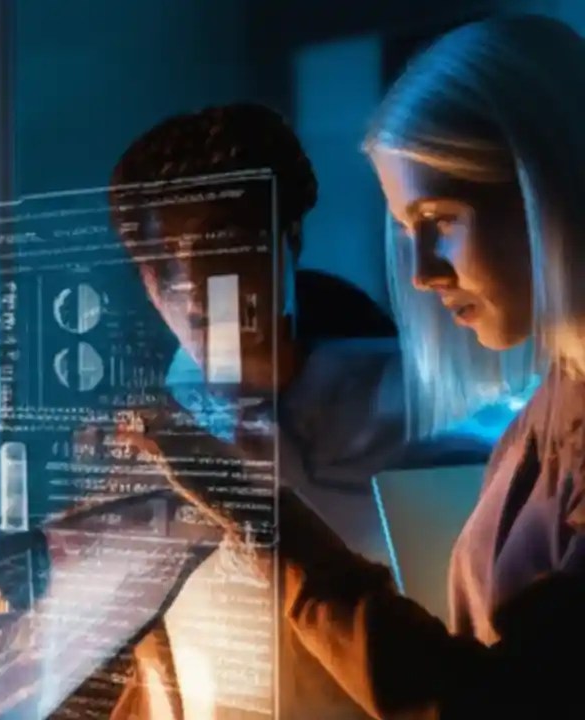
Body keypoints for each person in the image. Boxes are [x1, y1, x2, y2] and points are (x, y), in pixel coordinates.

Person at [132, 14, 585, 718]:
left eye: (441, 218)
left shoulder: (445, 422)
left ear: (549, 183)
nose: (423, 272)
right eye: (405, 229)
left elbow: (495, 702)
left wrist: (261, 515)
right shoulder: (548, 408)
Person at [97, 104, 491, 719]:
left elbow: (469, 679)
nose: (195, 285)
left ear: (290, 237)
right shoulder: (150, 440)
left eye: (225, 245)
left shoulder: (426, 422)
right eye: (161, 262)